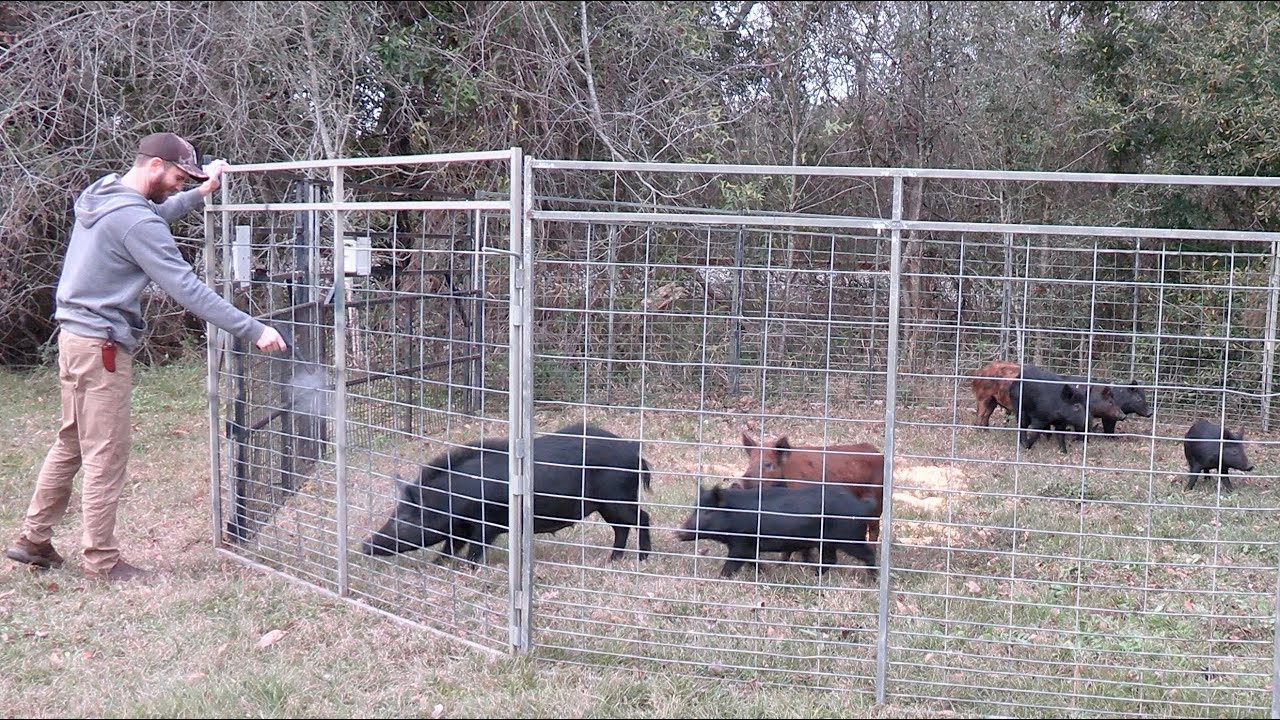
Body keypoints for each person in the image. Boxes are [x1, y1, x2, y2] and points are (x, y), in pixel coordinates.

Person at [4, 132, 289, 582]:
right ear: (155, 166)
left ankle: (33, 539)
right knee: (105, 453)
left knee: (72, 441)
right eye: (178, 176)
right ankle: (102, 561)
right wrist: (253, 329)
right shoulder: (136, 222)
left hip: (75, 338)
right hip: (102, 348)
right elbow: (185, 287)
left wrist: (199, 192)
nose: (178, 185)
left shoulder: (103, 194)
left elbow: (151, 214)